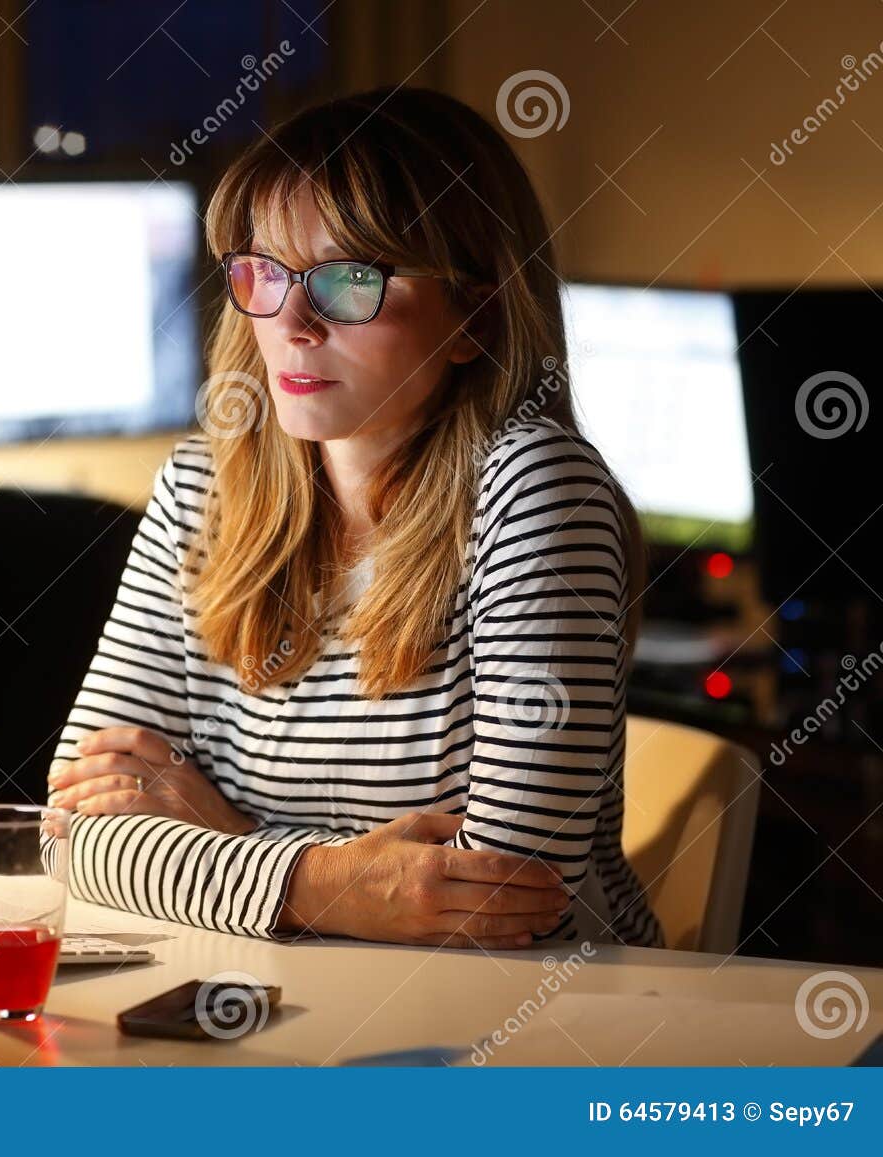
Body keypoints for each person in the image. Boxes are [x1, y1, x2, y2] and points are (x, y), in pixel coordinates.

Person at [44, 87, 662, 950]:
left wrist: (221, 836)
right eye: (264, 271)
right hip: (291, 1012)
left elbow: (507, 902)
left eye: (349, 279)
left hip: (539, 1034)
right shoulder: (197, 491)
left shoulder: (535, 491)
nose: (292, 322)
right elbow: (69, 836)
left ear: (472, 319)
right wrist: (335, 884)